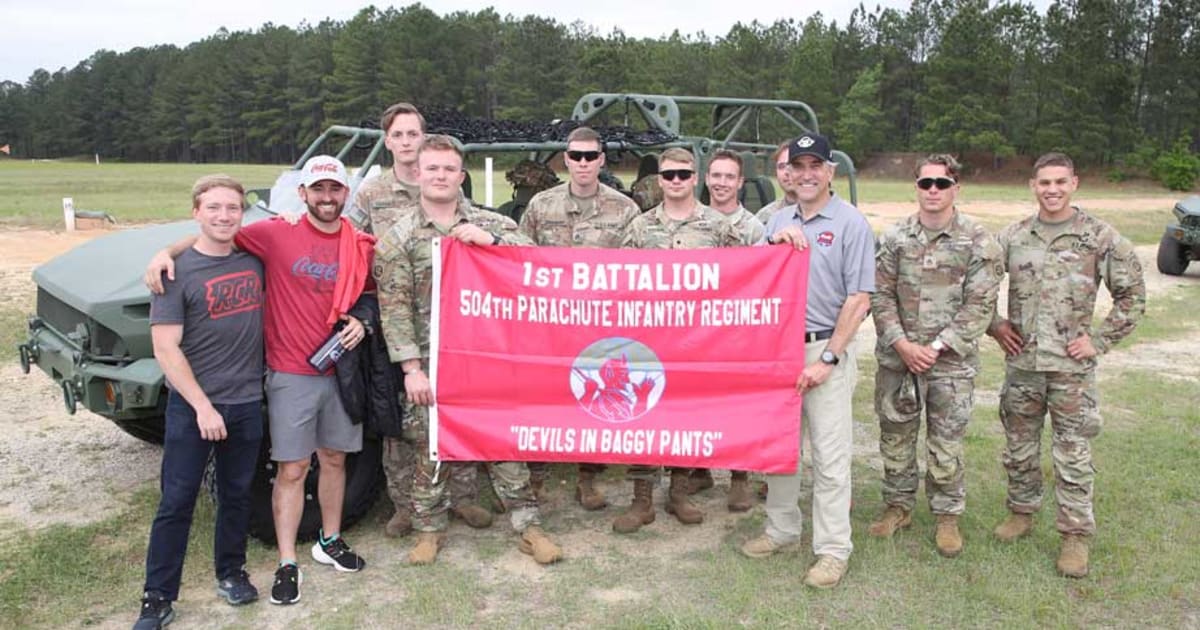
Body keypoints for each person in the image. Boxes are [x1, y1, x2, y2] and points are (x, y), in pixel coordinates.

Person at [145, 155, 374, 606]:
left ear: (346, 195)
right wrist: (166, 252)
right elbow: (217, 236)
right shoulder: (276, 233)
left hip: (340, 369)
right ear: (302, 193)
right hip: (291, 371)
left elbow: (369, 292)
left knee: (334, 458)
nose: (327, 198)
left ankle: (329, 540)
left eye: (335, 190)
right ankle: (287, 561)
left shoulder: (360, 242)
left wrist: (363, 320)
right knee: (292, 468)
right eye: (318, 189)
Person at [374, 135, 562, 566]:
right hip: (432, 360)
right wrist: (411, 369)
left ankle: (528, 526)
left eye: (449, 169)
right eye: (432, 168)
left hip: (487, 356)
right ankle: (428, 530)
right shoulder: (398, 237)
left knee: (503, 440)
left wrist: (491, 243)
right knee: (431, 445)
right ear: (418, 173)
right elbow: (395, 307)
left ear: (462, 176)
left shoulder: (488, 222)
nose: (440, 176)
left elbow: (538, 264)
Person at [988, 152, 1145, 578]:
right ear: (1032, 186)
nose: (1052, 190)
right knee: (1019, 446)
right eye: (1044, 183)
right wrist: (995, 324)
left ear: (1074, 182)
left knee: (1072, 452)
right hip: (1022, 365)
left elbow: (1133, 295)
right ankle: (1021, 512)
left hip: (1071, 371)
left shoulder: (1098, 237)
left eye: (1060, 181)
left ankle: (1075, 536)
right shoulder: (1015, 236)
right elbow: (976, 283)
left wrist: (1098, 340)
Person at [350, 102, 492, 538]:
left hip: (450, 320)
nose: (407, 142)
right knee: (401, 420)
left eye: (414, 134)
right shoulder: (372, 193)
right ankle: (406, 505)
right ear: (388, 141)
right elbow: (351, 240)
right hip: (395, 315)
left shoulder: (446, 182)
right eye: (399, 135)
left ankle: (463, 497)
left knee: (455, 411)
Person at [740, 132, 874, 590]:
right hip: (779, 349)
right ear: (788, 174)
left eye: (815, 165)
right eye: (798, 167)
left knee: (831, 456)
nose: (806, 174)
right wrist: (771, 242)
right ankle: (781, 531)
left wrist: (830, 359)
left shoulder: (851, 223)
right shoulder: (776, 218)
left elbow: (859, 299)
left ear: (830, 172)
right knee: (780, 451)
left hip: (824, 348)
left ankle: (833, 550)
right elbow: (750, 277)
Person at [134, 176, 265, 630]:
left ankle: (231, 572)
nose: (224, 216)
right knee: (177, 500)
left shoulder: (253, 261)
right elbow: (166, 349)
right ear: (196, 211)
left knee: (236, 494)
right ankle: (157, 596)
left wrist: (168, 246)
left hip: (248, 400)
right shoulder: (174, 274)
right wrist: (203, 407)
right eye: (213, 208)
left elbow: (220, 237)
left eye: (232, 208)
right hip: (194, 408)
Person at [867, 154, 1003, 557]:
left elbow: (979, 305)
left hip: (950, 365)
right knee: (895, 436)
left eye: (941, 184)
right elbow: (880, 294)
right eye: (925, 183)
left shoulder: (979, 241)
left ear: (956, 189)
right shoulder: (894, 238)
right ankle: (898, 506)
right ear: (916, 187)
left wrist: (936, 347)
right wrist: (902, 344)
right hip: (897, 359)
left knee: (945, 443)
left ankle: (947, 516)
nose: (932, 191)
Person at [615, 147, 742, 534]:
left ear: (695, 177)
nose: (675, 182)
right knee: (644, 417)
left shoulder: (718, 228)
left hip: (697, 342)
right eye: (668, 175)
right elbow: (619, 278)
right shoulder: (639, 227)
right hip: (648, 340)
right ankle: (642, 499)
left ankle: (680, 491)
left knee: (688, 416)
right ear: (659, 179)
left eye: (683, 175)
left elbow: (745, 278)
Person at [517, 126, 640, 511]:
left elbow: (639, 271)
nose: (583, 163)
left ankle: (588, 477)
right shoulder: (541, 206)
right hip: (550, 325)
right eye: (576, 156)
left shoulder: (625, 209)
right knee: (540, 400)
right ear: (565, 159)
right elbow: (519, 261)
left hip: (601, 326)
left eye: (591, 156)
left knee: (593, 401)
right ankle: (535, 478)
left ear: (602, 160)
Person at [687, 148, 765, 512]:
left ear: (740, 182)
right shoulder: (688, 221)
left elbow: (764, 278)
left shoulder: (752, 227)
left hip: (736, 332)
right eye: (715, 176)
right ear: (705, 179)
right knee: (695, 401)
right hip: (691, 332)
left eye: (729, 177)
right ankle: (698, 469)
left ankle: (739, 476)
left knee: (739, 405)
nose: (721, 183)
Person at [755, 141, 800, 225]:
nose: (787, 172)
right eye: (781, 167)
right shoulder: (766, 216)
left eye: (794, 165)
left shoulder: (828, 212)